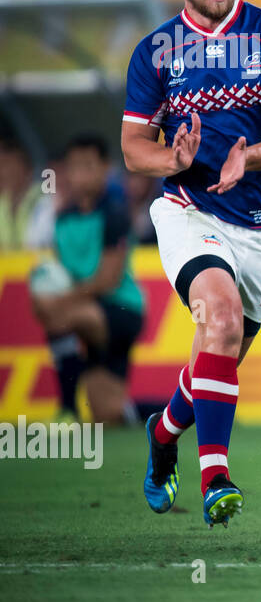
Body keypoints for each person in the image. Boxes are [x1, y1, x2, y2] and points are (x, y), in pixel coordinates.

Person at [121, 0, 261, 526]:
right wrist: (172, 160)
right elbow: (133, 147)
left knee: (219, 350)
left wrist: (250, 155)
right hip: (189, 209)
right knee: (222, 318)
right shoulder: (155, 51)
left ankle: (161, 434)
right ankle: (216, 478)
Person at [29, 135, 144, 424]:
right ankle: (187, 412)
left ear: (105, 167)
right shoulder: (62, 217)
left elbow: (107, 280)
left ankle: (67, 410)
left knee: (59, 320)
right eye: (75, 167)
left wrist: (60, 300)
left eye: (88, 166)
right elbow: (63, 271)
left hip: (120, 310)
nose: (80, 175)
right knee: (108, 415)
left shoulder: (115, 212)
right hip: (87, 310)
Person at [0, 136, 56, 250]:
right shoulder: (2, 204)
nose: (2, 171)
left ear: (24, 164)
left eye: (5, 163)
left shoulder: (45, 200)